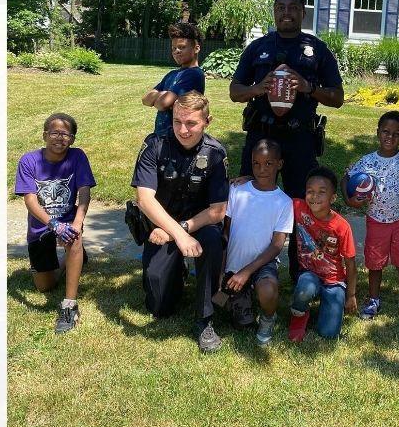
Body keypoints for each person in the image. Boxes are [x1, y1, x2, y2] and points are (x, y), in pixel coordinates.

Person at [229, 0, 344, 282]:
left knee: (301, 207)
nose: (286, 12)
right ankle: (241, 271)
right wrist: (258, 88)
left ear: (303, 13)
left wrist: (309, 87)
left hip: (299, 140)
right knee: (250, 202)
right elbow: (234, 91)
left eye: (293, 7)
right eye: (280, 7)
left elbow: (337, 96)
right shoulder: (258, 48)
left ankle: (300, 273)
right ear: (274, 12)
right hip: (262, 139)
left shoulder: (317, 50)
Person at [131, 92, 229, 353]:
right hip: (161, 224)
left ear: (207, 121)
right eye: (177, 122)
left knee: (211, 241)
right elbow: (144, 199)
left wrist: (183, 231)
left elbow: (218, 211)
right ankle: (177, 272)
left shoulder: (216, 153)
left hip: (199, 224)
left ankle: (205, 319)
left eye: (191, 124)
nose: (183, 130)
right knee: (159, 306)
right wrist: (174, 233)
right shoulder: (155, 145)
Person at [14, 112, 96, 334]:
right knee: (45, 286)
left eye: (66, 134)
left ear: (72, 139)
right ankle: (70, 261)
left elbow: (84, 191)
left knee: (74, 239)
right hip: (42, 227)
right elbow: (30, 200)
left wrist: (77, 223)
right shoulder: (29, 160)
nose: (60, 138)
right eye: (55, 133)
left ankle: (69, 305)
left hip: (68, 223)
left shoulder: (77, 157)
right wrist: (52, 224)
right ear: (44, 135)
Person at [341, 110, 399, 326]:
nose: (390, 137)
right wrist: (349, 200)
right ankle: (373, 300)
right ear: (378, 133)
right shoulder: (367, 162)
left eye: (397, 134)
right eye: (386, 131)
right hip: (376, 220)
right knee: (375, 263)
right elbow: (345, 178)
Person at [222, 139, 293, 345]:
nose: (262, 169)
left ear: (279, 164)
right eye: (256, 163)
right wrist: (222, 270)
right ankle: (240, 298)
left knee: (268, 290)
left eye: (269, 164)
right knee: (237, 319)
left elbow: (277, 245)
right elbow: (225, 233)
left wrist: (247, 272)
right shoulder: (238, 191)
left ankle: (269, 318)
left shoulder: (284, 202)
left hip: (262, 263)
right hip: (233, 265)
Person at [287, 167, 358, 342]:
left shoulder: (342, 227)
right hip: (309, 273)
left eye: (321, 192)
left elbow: (350, 263)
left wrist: (351, 295)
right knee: (305, 289)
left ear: (333, 198)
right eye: (310, 191)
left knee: (328, 334)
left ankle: (331, 304)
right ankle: (299, 314)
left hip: (334, 280)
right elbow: (272, 198)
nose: (314, 197)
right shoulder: (298, 207)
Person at [142, 22, 206, 137]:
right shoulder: (172, 74)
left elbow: (163, 103)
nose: (176, 51)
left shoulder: (194, 74)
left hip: (180, 137)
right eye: (174, 48)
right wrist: (165, 96)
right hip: (161, 135)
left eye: (182, 47)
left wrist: (158, 97)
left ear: (196, 48)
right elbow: (145, 99)